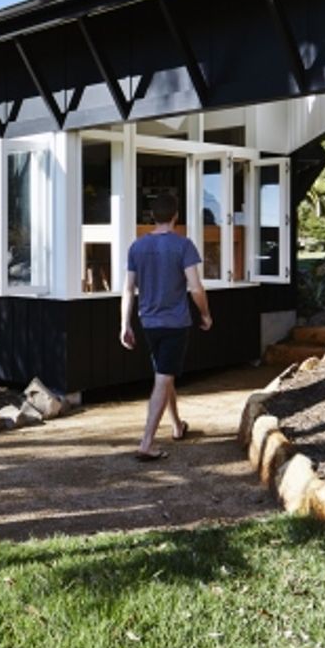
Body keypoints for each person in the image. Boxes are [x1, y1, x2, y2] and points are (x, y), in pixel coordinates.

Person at [120, 191, 213, 461]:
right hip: (174, 324)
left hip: (148, 323)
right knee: (163, 378)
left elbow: (128, 289)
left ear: (152, 217)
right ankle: (146, 442)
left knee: (164, 373)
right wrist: (205, 314)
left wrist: (124, 323)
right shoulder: (183, 246)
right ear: (176, 216)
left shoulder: (137, 247)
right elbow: (195, 287)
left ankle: (176, 425)